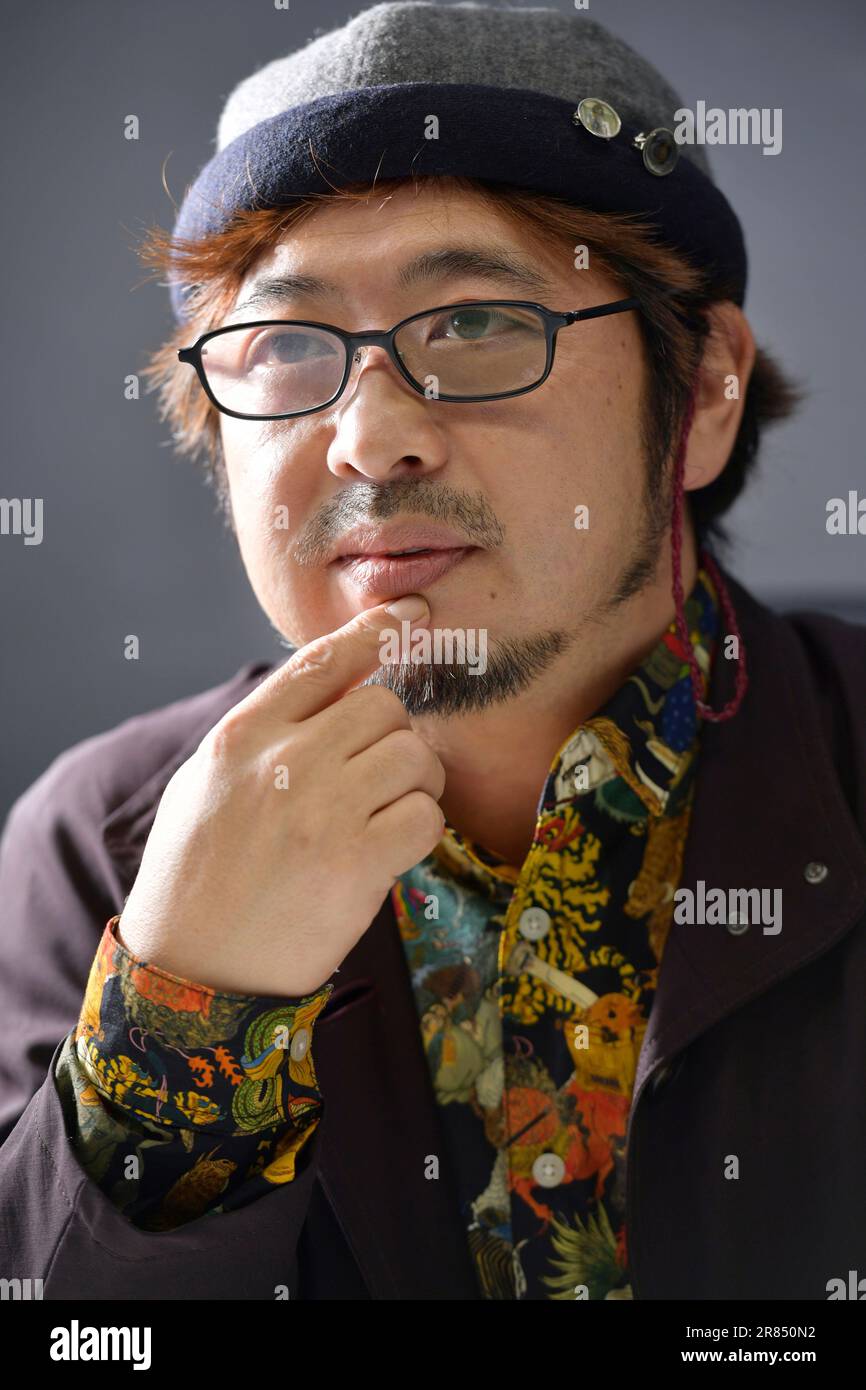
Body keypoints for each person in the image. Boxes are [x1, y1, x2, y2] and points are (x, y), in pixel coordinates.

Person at [1, 1, 864, 1302]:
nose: (367, 438)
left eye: (472, 325)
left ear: (698, 395)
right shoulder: (100, 846)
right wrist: (188, 1005)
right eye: (286, 346)